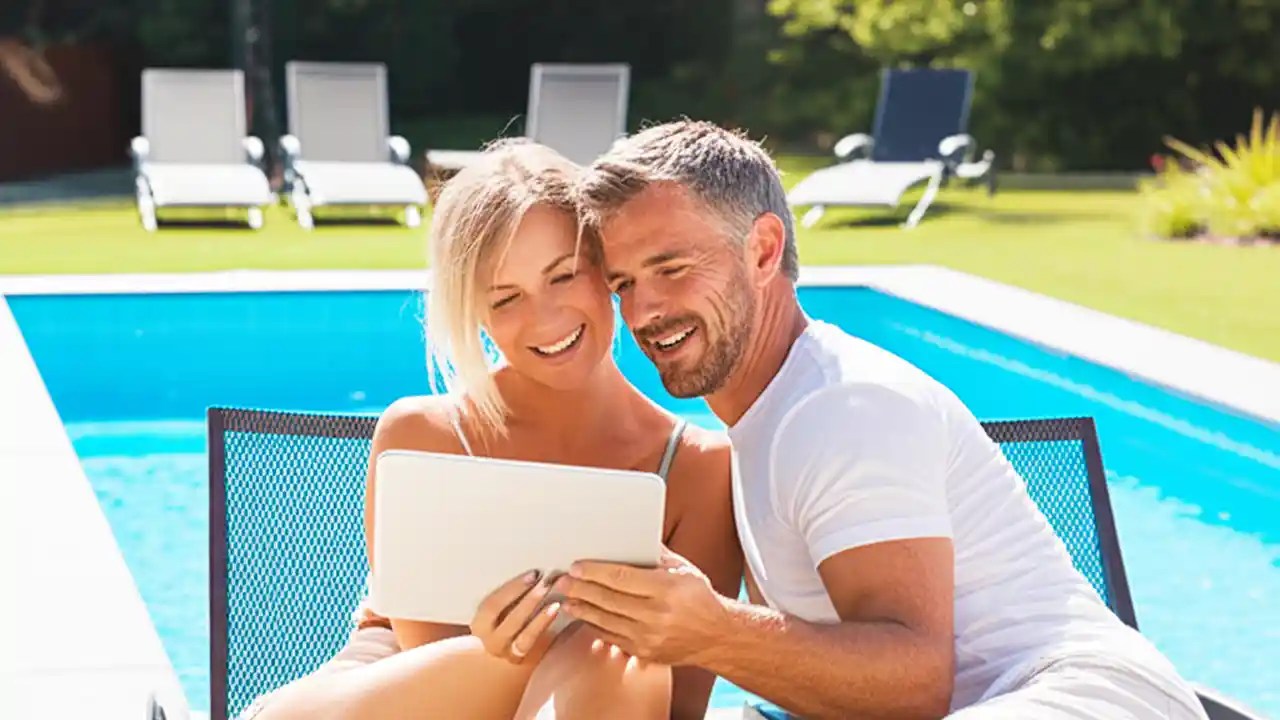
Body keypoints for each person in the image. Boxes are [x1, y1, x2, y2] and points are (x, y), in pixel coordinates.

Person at [554, 120, 1210, 719]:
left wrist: (716, 630)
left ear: (761, 251)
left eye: (670, 268)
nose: (644, 312)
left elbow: (914, 685)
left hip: (1084, 700)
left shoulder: (843, 406)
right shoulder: (763, 421)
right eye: (624, 285)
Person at [240, 139, 742, 720]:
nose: (545, 319)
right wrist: (499, 649)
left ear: (607, 271)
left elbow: (677, 707)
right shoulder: (421, 438)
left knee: (611, 655)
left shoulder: (699, 470)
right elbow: (422, 651)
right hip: (383, 688)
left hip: (592, 696)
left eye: (563, 276)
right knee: (596, 648)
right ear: (475, 312)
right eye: (506, 299)